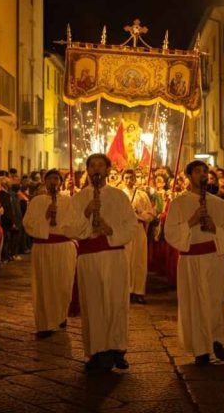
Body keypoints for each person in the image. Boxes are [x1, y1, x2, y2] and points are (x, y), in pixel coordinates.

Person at [164, 160, 224, 365]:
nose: (203, 175)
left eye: (205, 171)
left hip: (214, 257)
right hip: (191, 260)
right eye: (198, 171)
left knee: (217, 300)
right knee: (195, 303)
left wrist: (215, 228)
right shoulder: (179, 203)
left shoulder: (217, 203)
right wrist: (192, 221)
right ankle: (201, 348)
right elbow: (170, 232)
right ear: (188, 176)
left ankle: (216, 340)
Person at [67, 154, 138, 372]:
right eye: (92, 165)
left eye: (101, 165)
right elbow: (68, 227)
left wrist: (111, 231)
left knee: (116, 302)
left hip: (114, 256)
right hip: (89, 258)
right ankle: (96, 351)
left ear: (108, 170)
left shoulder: (119, 196)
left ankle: (118, 348)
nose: (97, 169)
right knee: (93, 303)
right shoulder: (79, 198)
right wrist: (86, 213)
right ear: (87, 170)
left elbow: (131, 225)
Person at [22, 169, 78, 338]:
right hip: (43, 248)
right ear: (45, 181)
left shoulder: (68, 201)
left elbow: (74, 223)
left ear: (60, 182)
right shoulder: (37, 201)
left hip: (63, 247)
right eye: (50, 178)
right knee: (44, 285)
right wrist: (45, 217)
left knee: (63, 284)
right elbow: (28, 224)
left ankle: (60, 315)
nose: (53, 182)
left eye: (56, 178)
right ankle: (45, 323)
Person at [121, 168, 155, 304]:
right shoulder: (120, 194)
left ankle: (139, 291)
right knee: (126, 259)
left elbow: (150, 214)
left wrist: (139, 213)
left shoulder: (142, 195)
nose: (129, 181)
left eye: (131, 178)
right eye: (126, 178)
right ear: (122, 180)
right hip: (125, 230)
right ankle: (126, 290)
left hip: (139, 229)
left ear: (135, 179)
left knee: (140, 261)